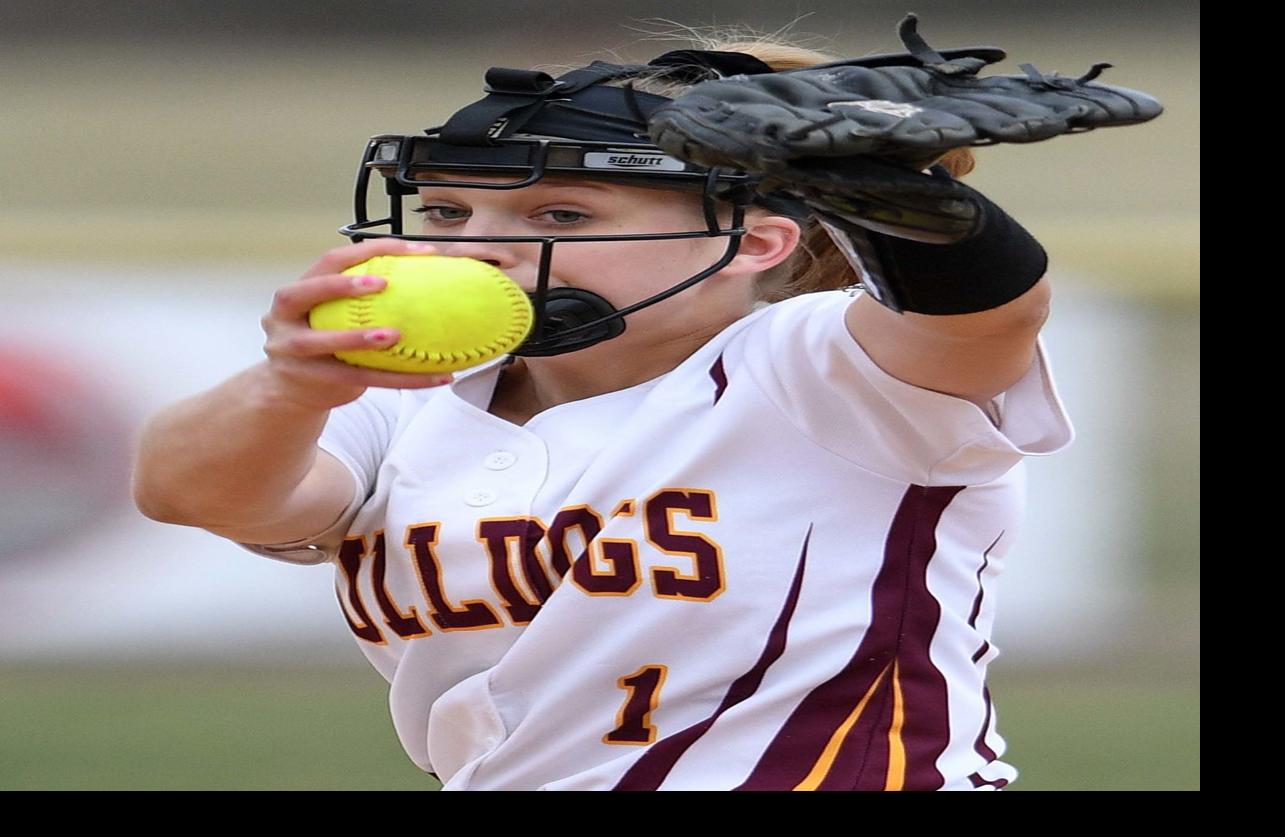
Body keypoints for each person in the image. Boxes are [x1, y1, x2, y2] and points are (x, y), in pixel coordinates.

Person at [132, 30, 1075, 791]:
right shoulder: (402, 400)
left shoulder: (821, 366)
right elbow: (191, 490)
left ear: (755, 243)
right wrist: (293, 382)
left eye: (562, 216)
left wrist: (908, 203)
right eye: (449, 211)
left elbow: (980, 317)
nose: (483, 245)